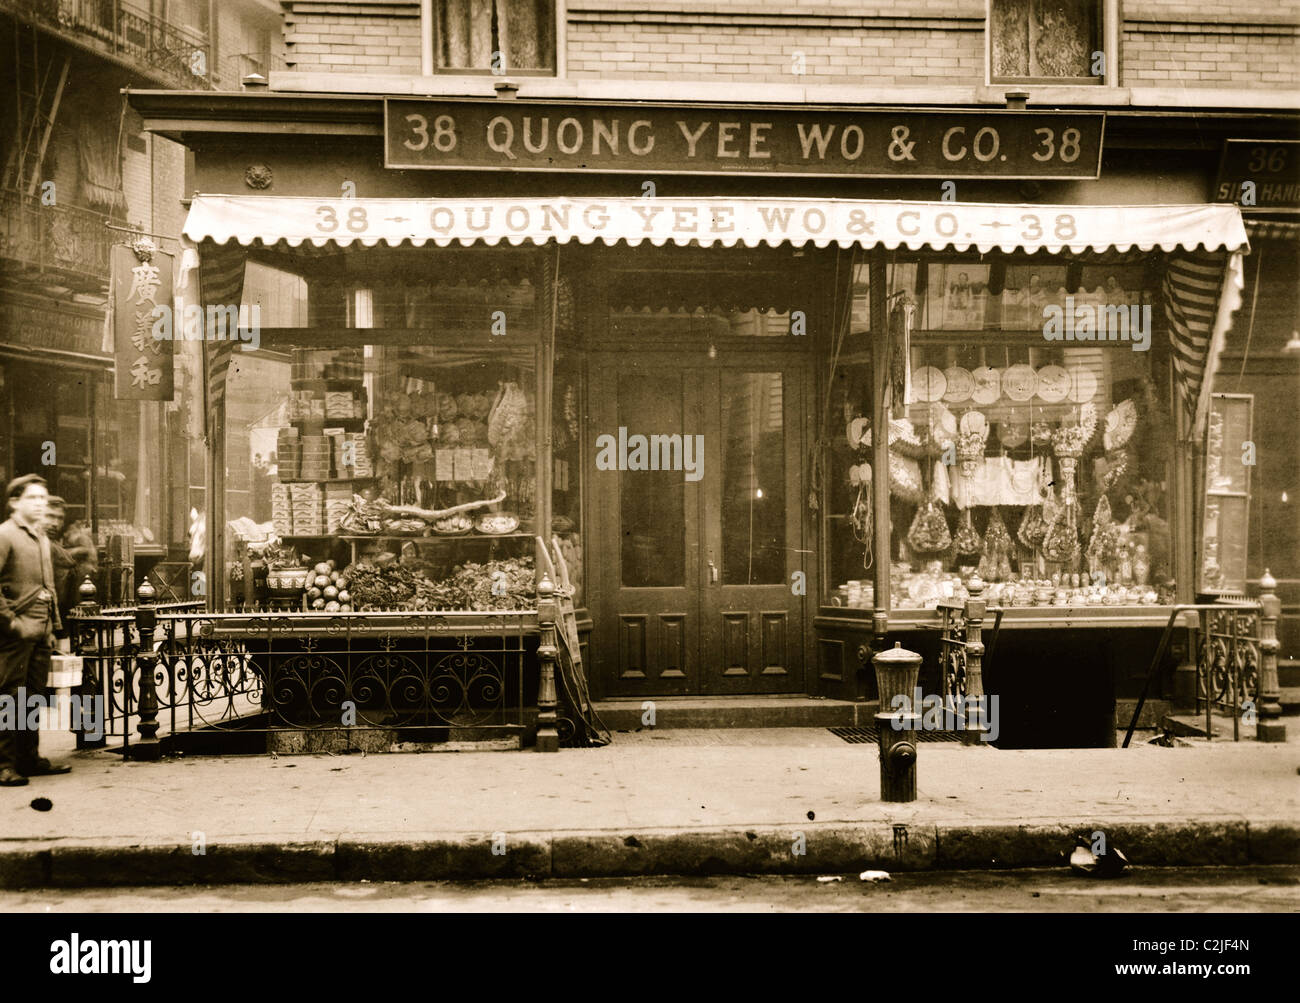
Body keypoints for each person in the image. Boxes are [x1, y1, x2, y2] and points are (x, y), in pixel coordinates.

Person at [0, 474, 72, 785]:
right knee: (9, 698)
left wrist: (54, 627)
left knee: (33, 697)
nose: (40, 504)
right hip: (15, 635)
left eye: (43, 498)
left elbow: (49, 586)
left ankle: (29, 758)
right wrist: (11, 624)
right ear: (14, 502)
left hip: (41, 633)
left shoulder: (41, 537)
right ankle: (4, 764)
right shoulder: (5, 535)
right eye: (33, 498)